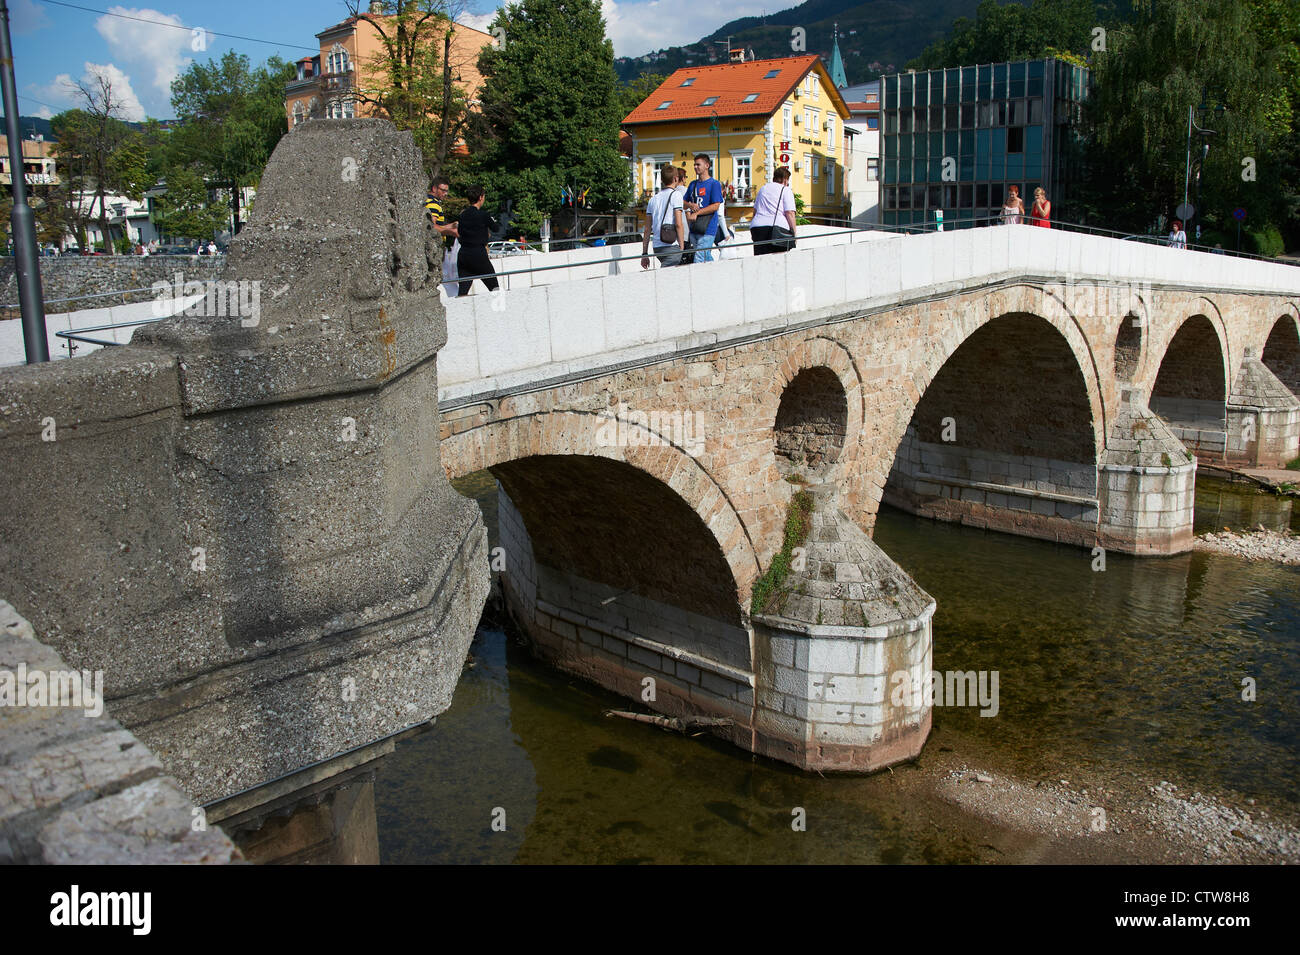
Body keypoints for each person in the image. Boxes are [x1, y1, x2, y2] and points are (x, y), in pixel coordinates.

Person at [455, 185, 499, 296]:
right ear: (480, 197)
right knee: (495, 288)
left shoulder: (462, 215)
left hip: (464, 254)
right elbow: (496, 228)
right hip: (478, 254)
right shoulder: (483, 215)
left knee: (463, 292)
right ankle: (500, 309)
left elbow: (460, 232)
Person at [641, 165, 687, 269]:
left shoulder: (653, 200)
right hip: (671, 245)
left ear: (662, 180)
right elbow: (679, 224)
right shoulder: (676, 195)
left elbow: (647, 229)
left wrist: (644, 253)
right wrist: (682, 247)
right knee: (666, 277)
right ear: (676, 178)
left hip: (657, 247)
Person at [684, 153, 724, 262]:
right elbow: (683, 202)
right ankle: (716, 274)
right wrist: (690, 205)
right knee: (705, 256)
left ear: (707, 165)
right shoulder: (693, 184)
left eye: (698, 164)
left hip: (708, 227)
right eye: (694, 165)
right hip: (694, 227)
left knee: (699, 257)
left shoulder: (714, 184)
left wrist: (697, 213)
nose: (695, 167)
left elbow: (716, 206)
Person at [749, 166, 797, 255]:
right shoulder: (785, 190)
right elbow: (790, 213)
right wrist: (794, 233)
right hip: (776, 229)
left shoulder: (763, 189)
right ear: (785, 180)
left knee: (760, 260)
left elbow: (755, 211)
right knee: (778, 261)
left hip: (757, 228)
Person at [425, 176, 460, 297]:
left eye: (447, 191)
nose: (445, 194)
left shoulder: (428, 201)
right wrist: (452, 232)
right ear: (434, 188)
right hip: (435, 248)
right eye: (443, 190)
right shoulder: (434, 205)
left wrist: (450, 226)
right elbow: (432, 227)